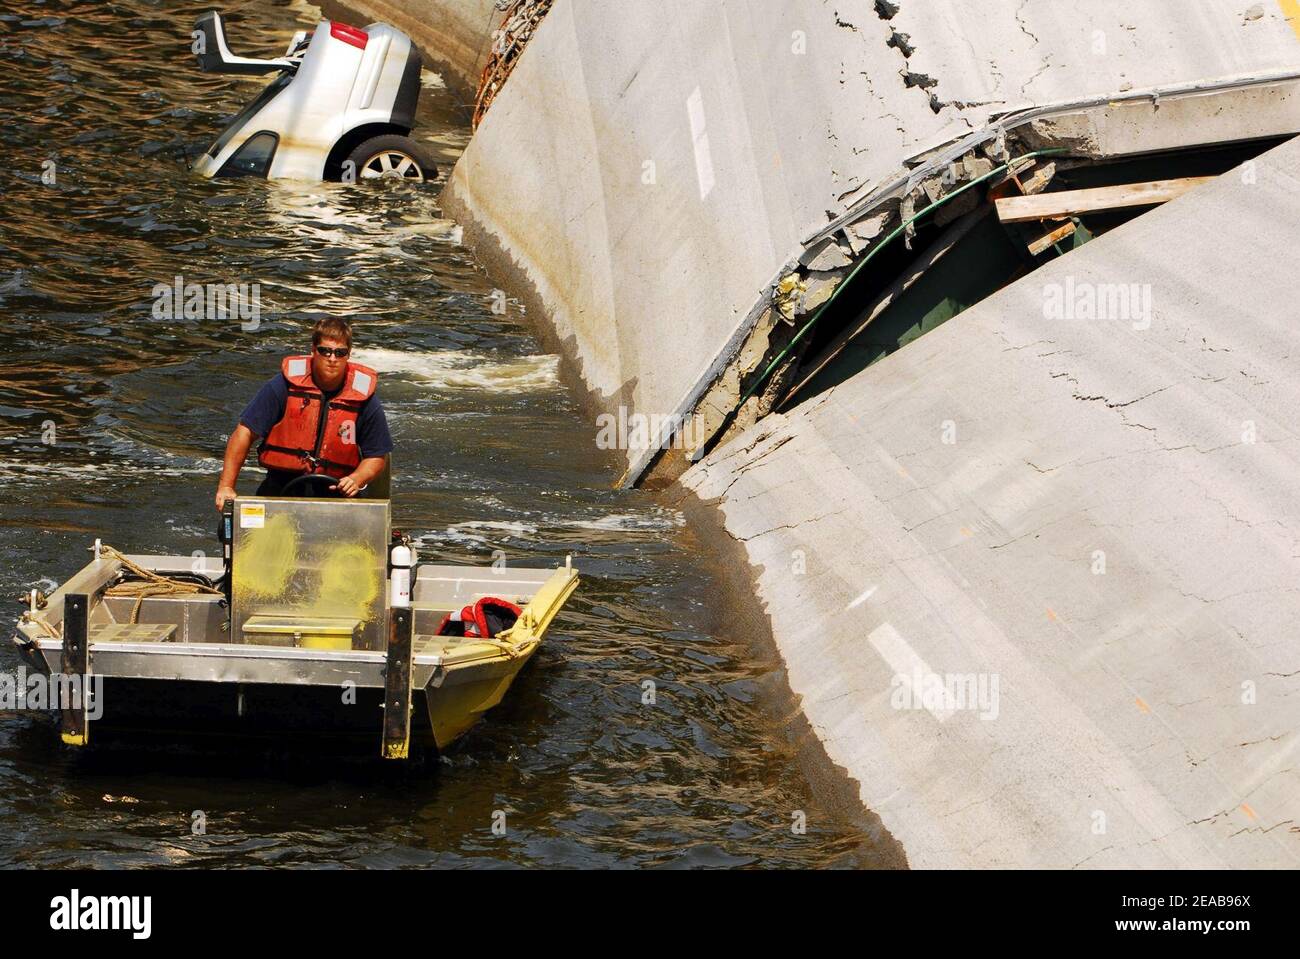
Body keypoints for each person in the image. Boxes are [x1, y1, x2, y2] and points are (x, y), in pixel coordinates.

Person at [214, 318, 393, 510]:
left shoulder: (365, 399)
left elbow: (376, 456)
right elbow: (244, 433)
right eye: (325, 351)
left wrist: (356, 479)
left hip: (337, 492)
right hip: (282, 488)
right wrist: (226, 487)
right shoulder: (282, 386)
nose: (332, 359)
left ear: (348, 355)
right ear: (313, 351)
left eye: (340, 353)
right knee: (232, 529)